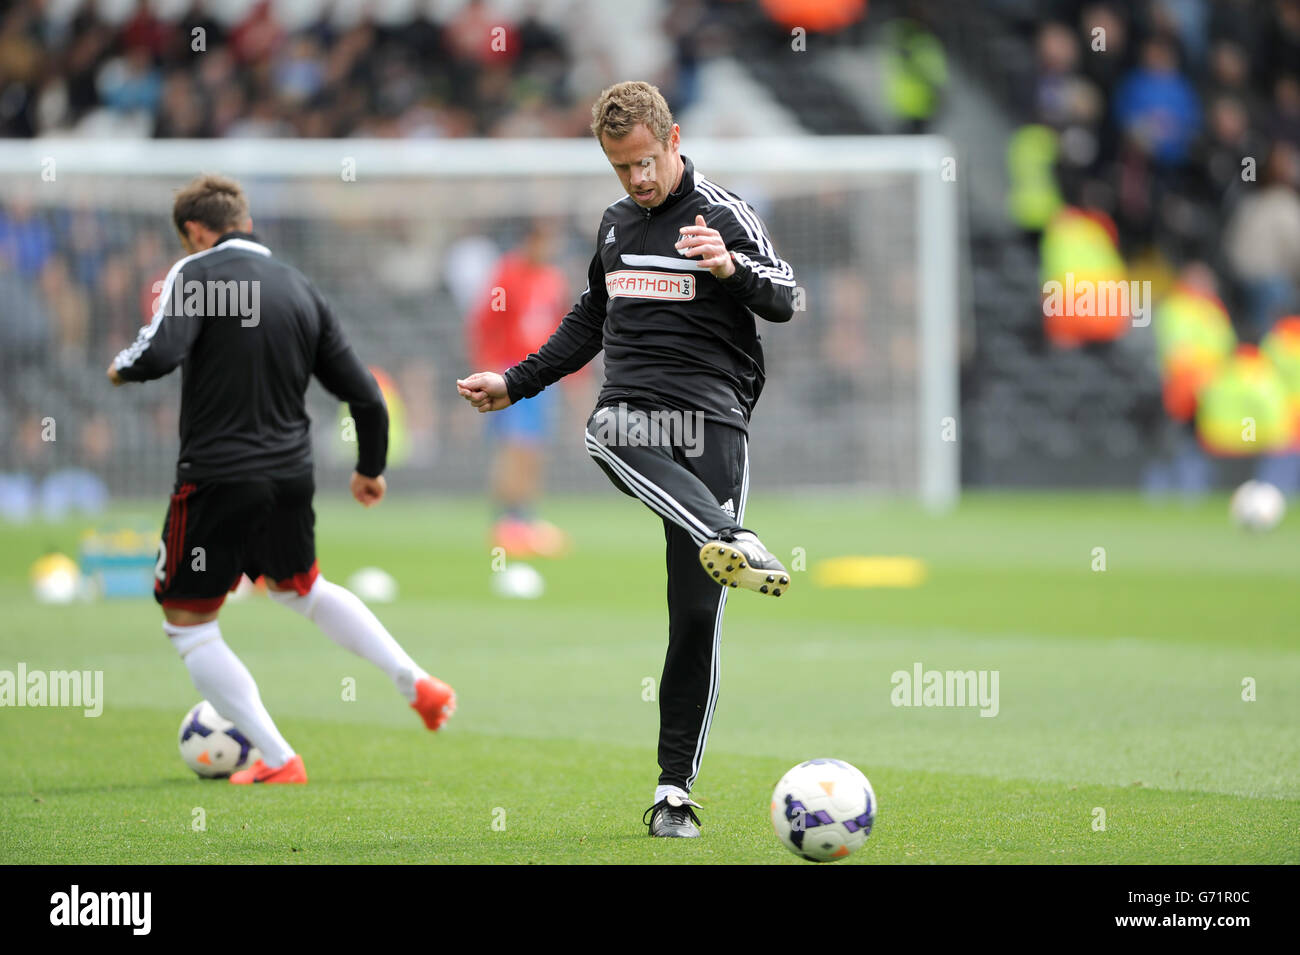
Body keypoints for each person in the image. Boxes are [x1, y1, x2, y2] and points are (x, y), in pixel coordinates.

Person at [457, 81, 794, 837]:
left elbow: (787, 299)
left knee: (694, 619)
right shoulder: (614, 227)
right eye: (621, 168)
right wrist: (514, 382)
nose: (637, 179)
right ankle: (730, 535)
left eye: (645, 161)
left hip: (713, 425)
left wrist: (731, 270)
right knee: (605, 430)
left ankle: (674, 791)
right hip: (638, 413)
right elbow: (590, 319)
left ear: (672, 140)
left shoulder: (724, 214)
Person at [108, 174, 455, 785]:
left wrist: (120, 367)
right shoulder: (299, 288)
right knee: (301, 589)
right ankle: (417, 681)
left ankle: (277, 755)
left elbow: (158, 353)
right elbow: (366, 394)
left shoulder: (195, 275)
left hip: (218, 475)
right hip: (292, 475)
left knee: (188, 623)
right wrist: (369, 468)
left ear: (195, 232)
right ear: (244, 219)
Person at [466, 219, 573, 558]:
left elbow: (565, 328)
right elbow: (485, 324)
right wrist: (489, 367)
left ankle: (524, 522)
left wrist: (572, 376)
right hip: (512, 372)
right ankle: (505, 523)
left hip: (544, 376)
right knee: (515, 447)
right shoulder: (508, 275)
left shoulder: (553, 280)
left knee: (534, 450)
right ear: (529, 241)